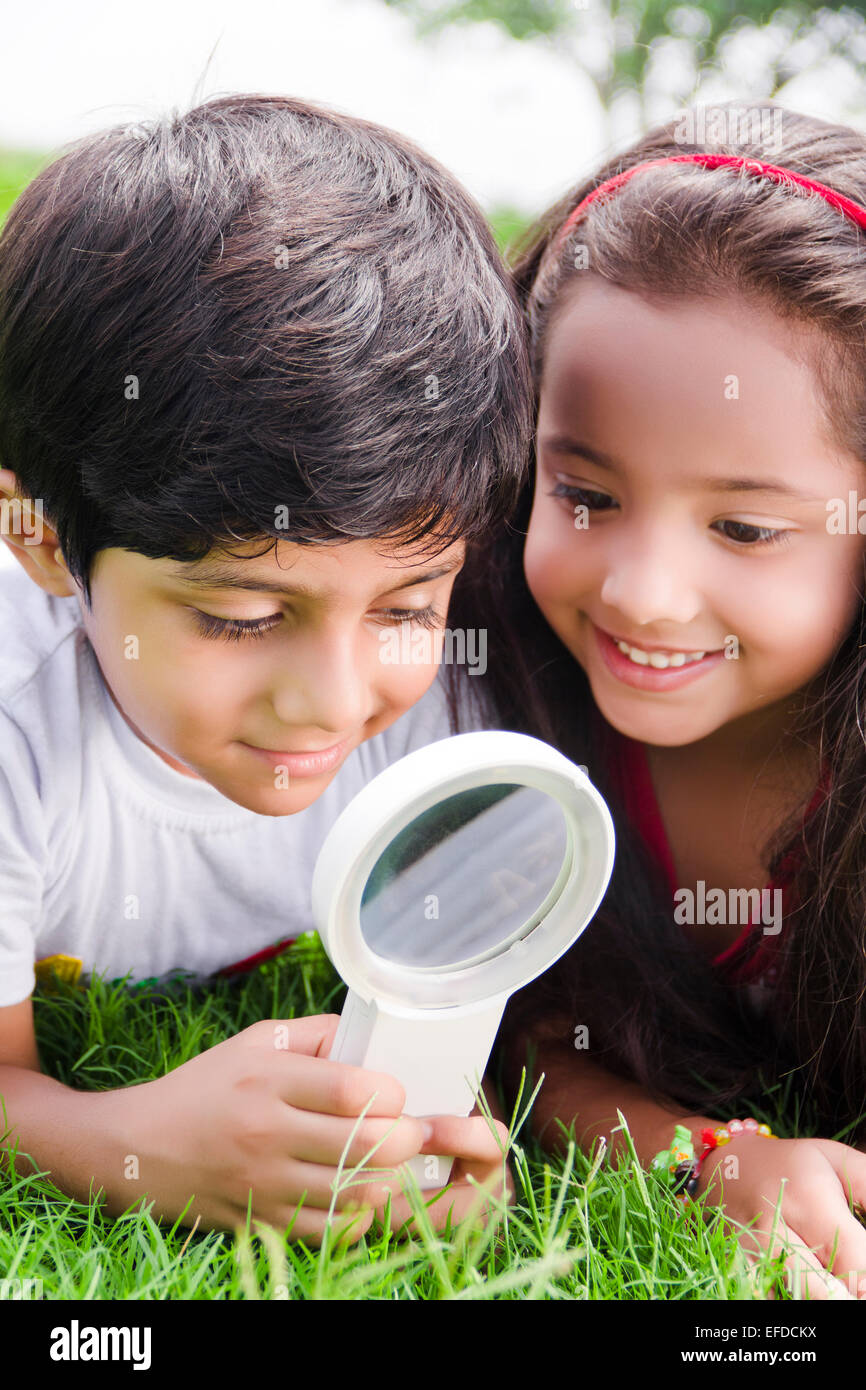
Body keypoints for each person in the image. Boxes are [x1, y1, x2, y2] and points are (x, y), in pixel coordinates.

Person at [0, 93, 533, 1243]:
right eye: (242, 617)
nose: (335, 702)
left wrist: (426, 1123)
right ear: (43, 536)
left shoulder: (459, 712)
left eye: (405, 604)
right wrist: (140, 1144)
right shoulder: (16, 733)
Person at [466, 99, 866, 1299]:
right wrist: (712, 1161)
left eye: (743, 526)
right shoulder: (505, 703)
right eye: (582, 494)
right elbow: (536, 1039)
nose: (640, 596)